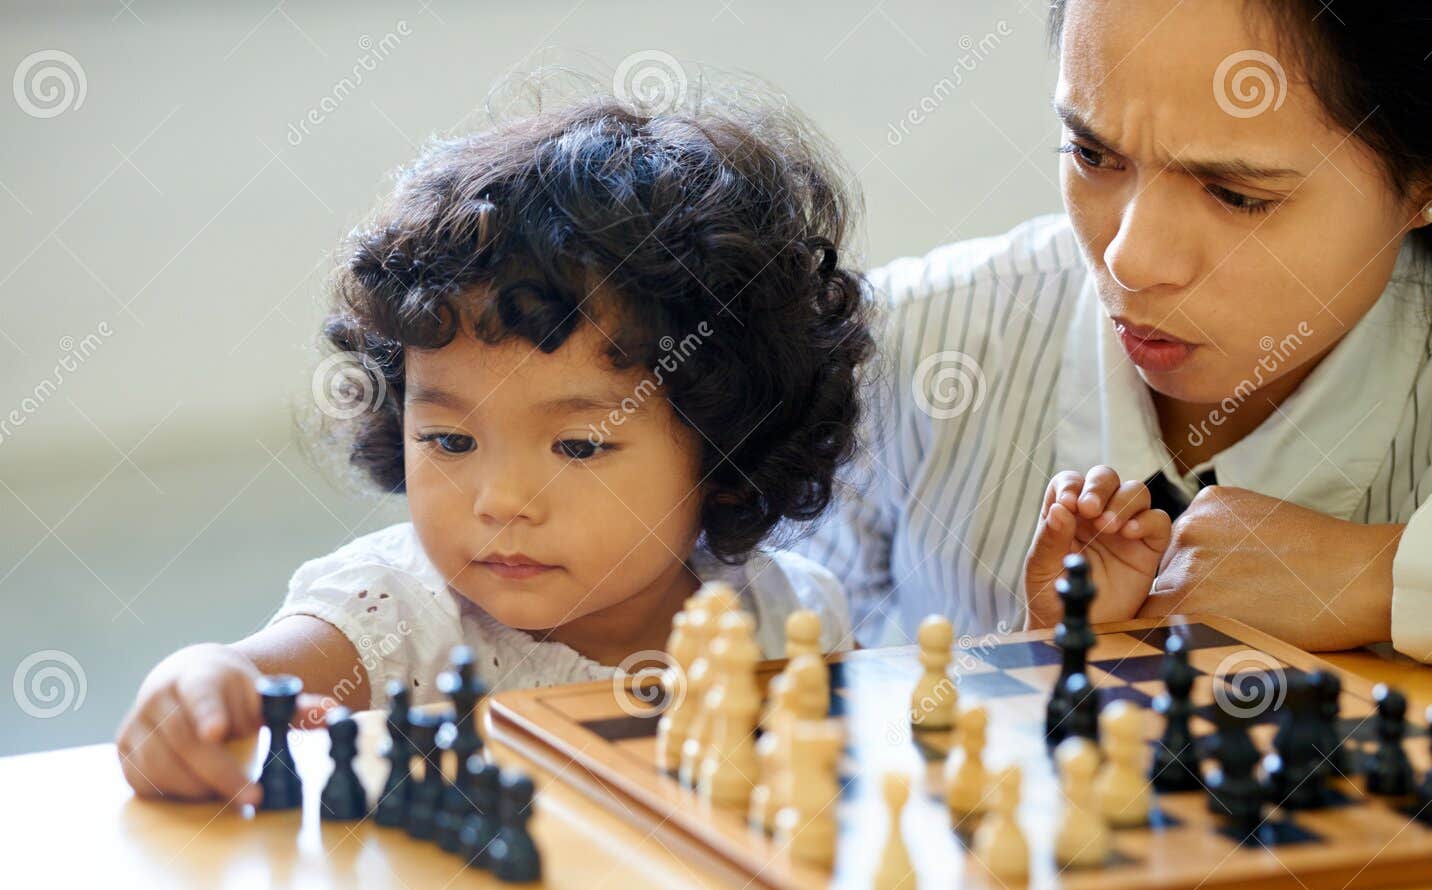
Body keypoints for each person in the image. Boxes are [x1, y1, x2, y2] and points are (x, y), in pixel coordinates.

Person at [115, 93, 877, 804]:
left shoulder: (787, 613)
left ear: (729, 452)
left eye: (578, 446)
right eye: (450, 439)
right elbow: (245, 675)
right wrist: (194, 689)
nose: (501, 500)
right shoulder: (401, 614)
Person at [801, 0, 1432, 675]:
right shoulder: (912, 342)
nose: (1130, 259)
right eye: (1091, 152)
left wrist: (1379, 575)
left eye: (1235, 194)